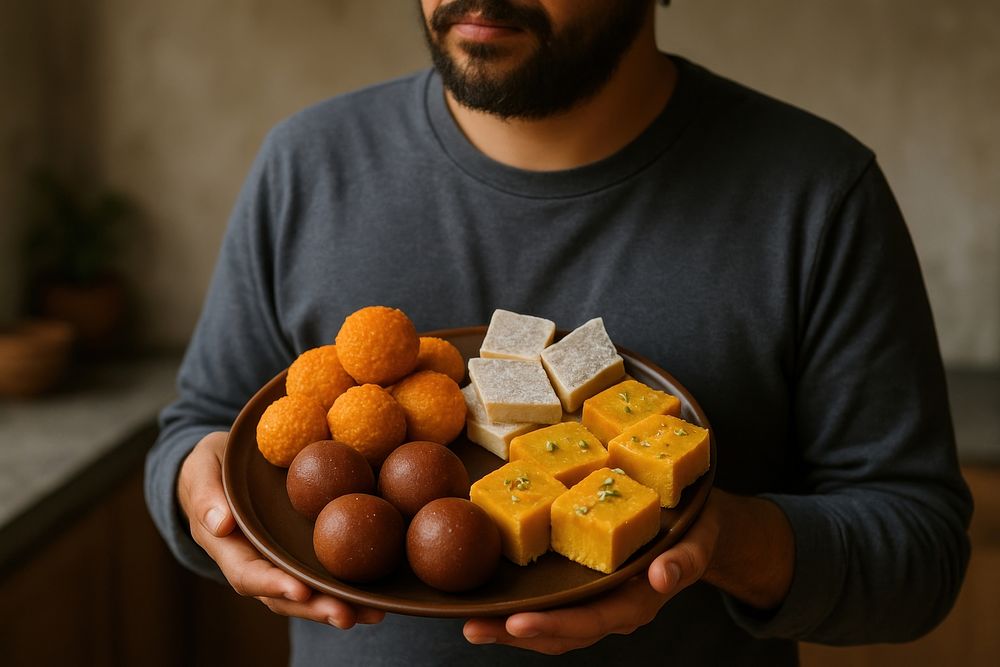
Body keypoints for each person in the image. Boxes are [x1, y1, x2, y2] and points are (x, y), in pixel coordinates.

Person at [145, 0, 973, 664]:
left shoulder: (818, 193)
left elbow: (920, 552)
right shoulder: (306, 165)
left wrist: (714, 538)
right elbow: (199, 427)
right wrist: (201, 499)